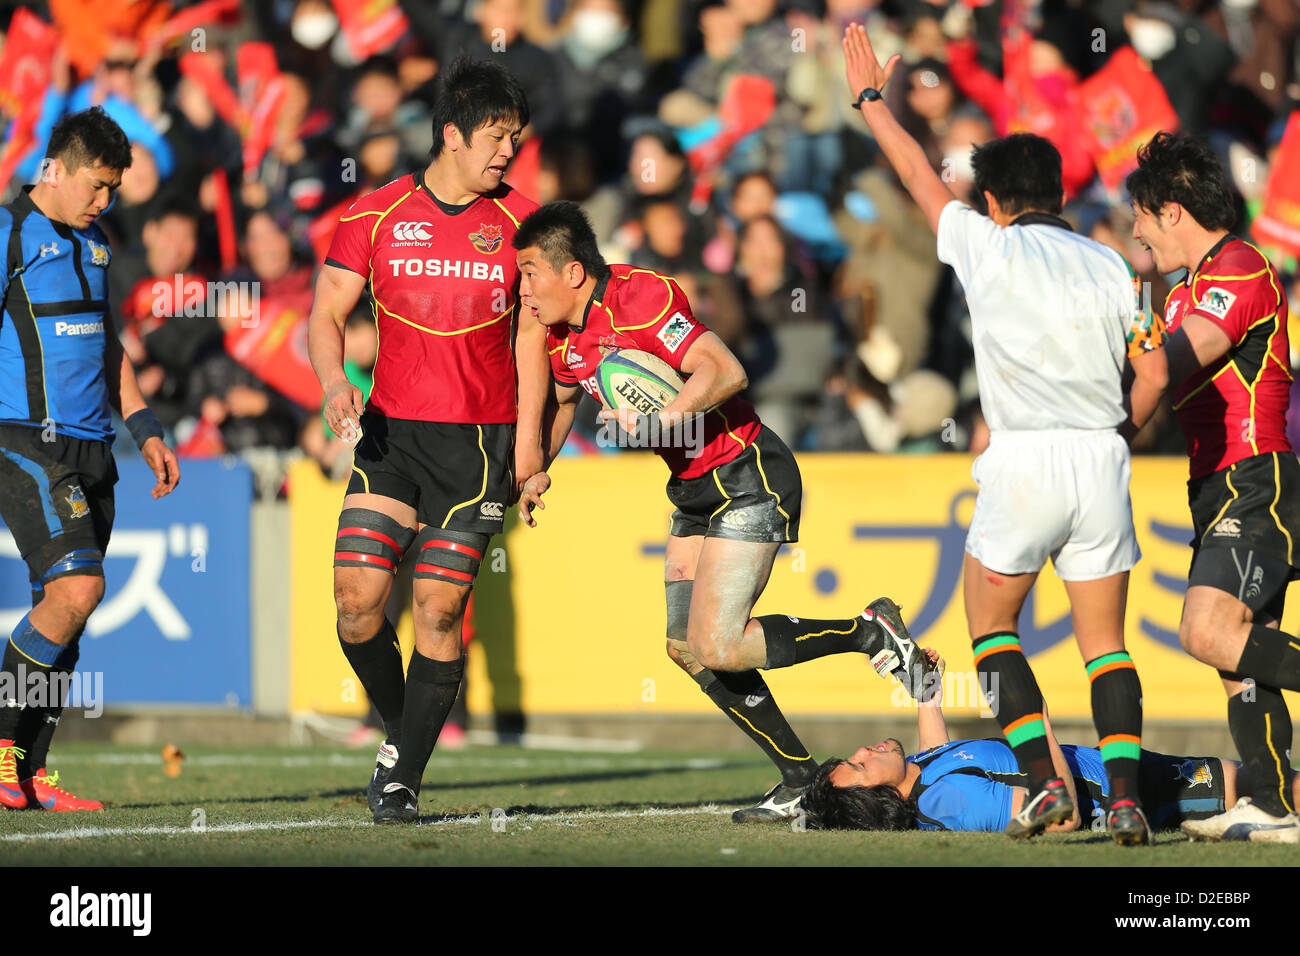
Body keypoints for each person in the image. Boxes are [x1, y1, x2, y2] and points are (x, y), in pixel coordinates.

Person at [512, 201, 926, 822]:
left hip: (747, 473)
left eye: (529, 274)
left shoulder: (642, 297)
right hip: (694, 490)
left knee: (720, 642)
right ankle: (797, 774)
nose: (523, 290)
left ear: (573, 273)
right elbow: (563, 400)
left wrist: (663, 419)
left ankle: (867, 631)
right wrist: (537, 466)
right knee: (687, 647)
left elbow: (726, 370)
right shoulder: (562, 338)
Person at [841, 24, 1150, 844]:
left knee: (993, 628)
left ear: (993, 201)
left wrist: (872, 98)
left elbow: (912, 169)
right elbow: (1144, 368)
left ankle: (1045, 784)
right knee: (1106, 646)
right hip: (1103, 454)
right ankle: (1124, 798)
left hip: (1025, 458)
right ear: (1058, 191)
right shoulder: (1113, 264)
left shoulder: (989, 245)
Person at [307, 57, 546, 825]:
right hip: (388, 439)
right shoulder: (373, 214)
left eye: (515, 139)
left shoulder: (524, 226)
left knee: (439, 614)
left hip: (480, 449)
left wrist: (535, 450)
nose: (507, 152)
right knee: (356, 604)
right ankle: (400, 728)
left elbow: (538, 346)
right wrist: (332, 381)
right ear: (451, 134)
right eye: (496, 136)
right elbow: (324, 316)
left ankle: (402, 779)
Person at [0, 107, 180, 811]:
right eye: (97, 186)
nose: (104, 202)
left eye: (113, 191)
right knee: (78, 591)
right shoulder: (11, 233)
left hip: (95, 447)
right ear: (59, 168)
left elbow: (107, 348)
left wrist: (147, 428)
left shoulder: (97, 245)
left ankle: (30, 775)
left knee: (66, 611)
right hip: (21, 437)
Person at [1125, 132, 1300, 844]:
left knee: (1207, 631)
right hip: (1214, 485)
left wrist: (1126, 367)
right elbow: (1151, 383)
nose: (1134, 230)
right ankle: (1274, 804)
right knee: (1240, 658)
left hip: (1254, 477)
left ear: (1171, 210)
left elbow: (1171, 363)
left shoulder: (1239, 265)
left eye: (1139, 214)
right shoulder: (1182, 290)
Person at [801, 652, 1290, 837]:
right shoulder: (947, 802)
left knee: (1265, 781)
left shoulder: (923, 775)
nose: (863, 752)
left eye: (854, 757)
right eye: (860, 767)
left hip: (1114, 770)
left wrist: (927, 696)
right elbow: (1063, 816)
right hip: (1131, 791)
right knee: (1262, 787)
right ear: (883, 799)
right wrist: (1035, 720)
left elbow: (945, 758)